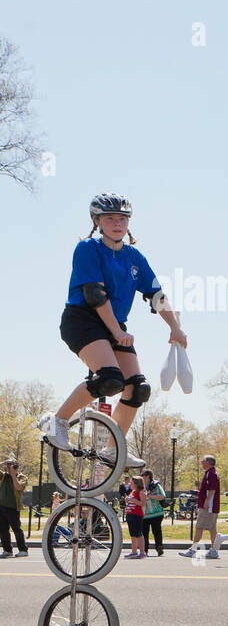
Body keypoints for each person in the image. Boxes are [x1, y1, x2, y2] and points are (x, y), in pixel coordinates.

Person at [38, 195, 187, 470]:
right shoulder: (87, 248)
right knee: (110, 379)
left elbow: (157, 295)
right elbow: (95, 295)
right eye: (109, 218)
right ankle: (55, 420)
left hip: (115, 327)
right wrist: (117, 331)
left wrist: (175, 327)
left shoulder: (134, 257)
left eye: (122, 219)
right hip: (83, 320)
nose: (117, 223)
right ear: (97, 221)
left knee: (138, 388)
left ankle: (112, 449)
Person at [181, 456, 221, 559]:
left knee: (200, 527)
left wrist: (207, 501)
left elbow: (212, 490)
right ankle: (213, 550)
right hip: (209, 505)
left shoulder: (212, 474)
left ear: (208, 462)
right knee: (212, 528)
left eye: (203, 461)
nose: (202, 463)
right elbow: (208, 490)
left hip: (208, 507)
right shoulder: (209, 473)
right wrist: (199, 494)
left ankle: (193, 550)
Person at [0, 458, 30, 558]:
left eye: (12, 465)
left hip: (13, 508)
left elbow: (18, 487)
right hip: (1, 507)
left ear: (17, 467)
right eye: (9, 466)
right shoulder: (4, 476)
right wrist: (4, 462)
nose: (10, 468)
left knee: (16, 529)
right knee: (3, 530)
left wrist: (13, 475)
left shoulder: (22, 477)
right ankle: (7, 550)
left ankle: (23, 550)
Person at [140, 469, 166, 557]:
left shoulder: (156, 485)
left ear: (148, 476)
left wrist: (150, 496)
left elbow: (162, 496)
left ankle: (159, 548)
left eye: (143, 475)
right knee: (144, 533)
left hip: (156, 513)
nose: (142, 477)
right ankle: (145, 550)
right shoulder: (140, 486)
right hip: (145, 514)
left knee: (157, 531)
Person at [123, 475, 146, 559]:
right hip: (130, 514)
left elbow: (143, 503)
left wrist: (134, 500)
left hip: (137, 515)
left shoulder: (141, 492)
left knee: (138, 534)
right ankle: (134, 551)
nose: (130, 484)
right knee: (133, 534)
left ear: (136, 484)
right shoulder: (132, 492)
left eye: (132, 482)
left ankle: (142, 552)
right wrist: (127, 499)